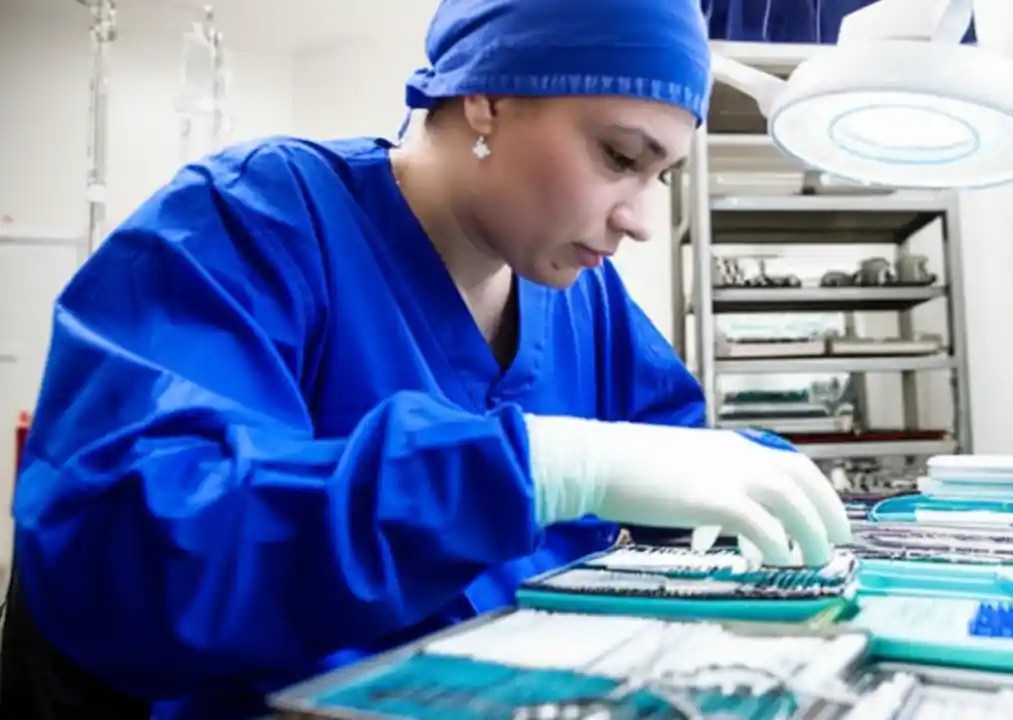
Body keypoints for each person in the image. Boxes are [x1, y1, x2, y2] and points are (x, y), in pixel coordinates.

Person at [1, 0, 851, 717]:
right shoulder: (253, 222)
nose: (638, 218)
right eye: (620, 158)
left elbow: (686, 459)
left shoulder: (578, 298)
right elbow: (128, 545)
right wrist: (542, 468)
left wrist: (763, 487)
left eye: (659, 174)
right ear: (486, 97)